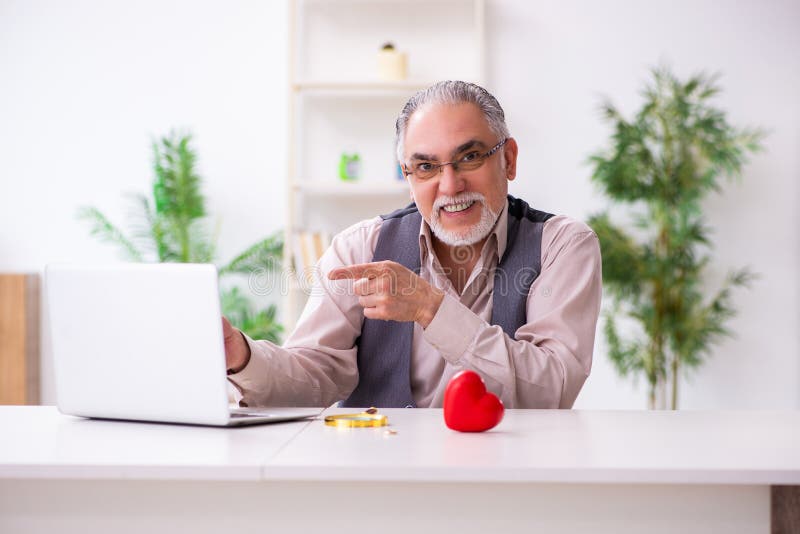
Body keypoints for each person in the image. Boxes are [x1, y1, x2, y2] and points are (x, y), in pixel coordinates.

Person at [223, 80, 602, 409]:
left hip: (509, 480)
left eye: (469, 158)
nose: (450, 186)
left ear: (508, 159)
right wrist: (243, 357)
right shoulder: (359, 248)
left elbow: (552, 390)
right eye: (425, 167)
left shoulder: (562, 246)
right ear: (408, 175)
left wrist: (430, 308)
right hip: (381, 478)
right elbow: (311, 378)